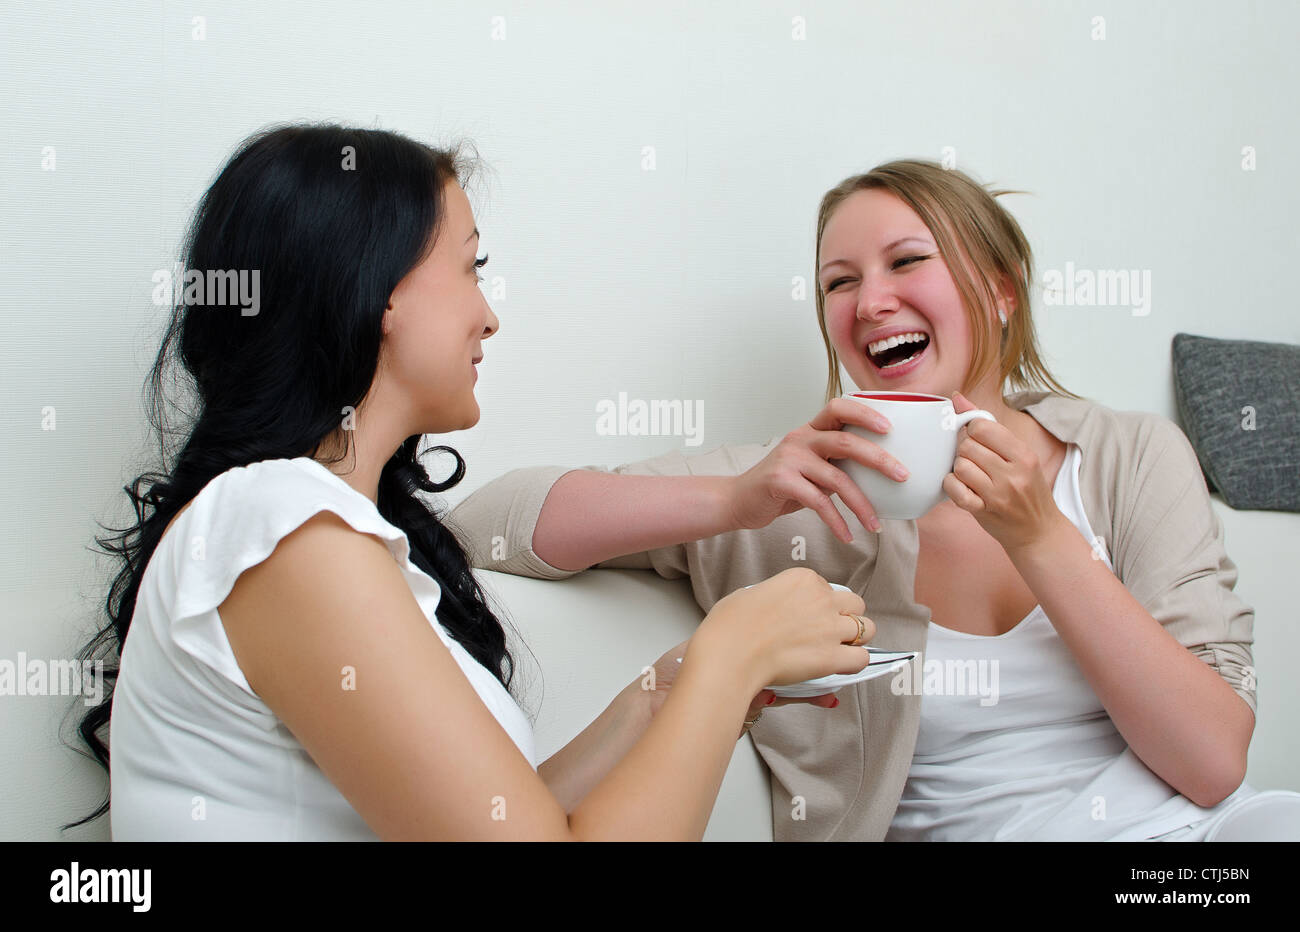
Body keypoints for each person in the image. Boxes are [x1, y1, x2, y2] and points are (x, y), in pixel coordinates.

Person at [63, 123, 875, 841]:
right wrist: (734, 654)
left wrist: (673, 687)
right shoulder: (281, 528)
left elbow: (505, 820)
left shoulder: (323, 531)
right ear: (372, 288)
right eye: (469, 267)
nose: (489, 315)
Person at [450, 159, 1300, 841]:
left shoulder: (1128, 456)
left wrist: (1042, 540)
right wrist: (737, 500)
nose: (870, 301)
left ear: (1001, 290)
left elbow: (1213, 762)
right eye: (838, 283)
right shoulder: (794, 491)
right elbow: (482, 528)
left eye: (907, 261)